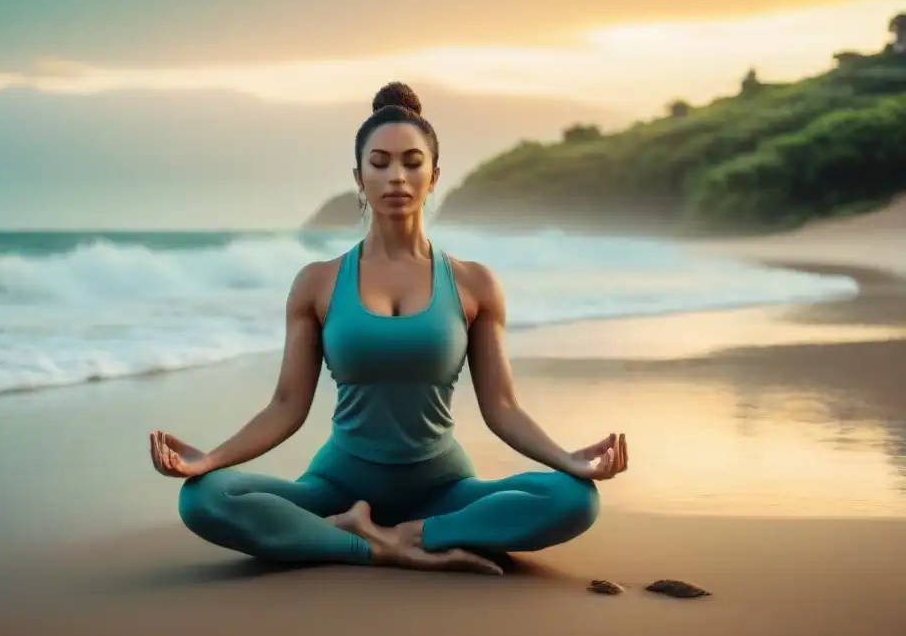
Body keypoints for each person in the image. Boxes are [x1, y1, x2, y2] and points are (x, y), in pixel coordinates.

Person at [148, 82, 629, 575]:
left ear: (434, 175)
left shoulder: (473, 283)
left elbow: (502, 408)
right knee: (204, 498)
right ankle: (373, 547)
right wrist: (210, 459)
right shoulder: (318, 282)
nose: (396, 176)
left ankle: (406, 533)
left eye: (412, 162)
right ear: (359, 177)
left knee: (575, 499)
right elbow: (287, 407)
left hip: (442, 487)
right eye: (379, 163)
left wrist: (567, 460)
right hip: (337, 486)